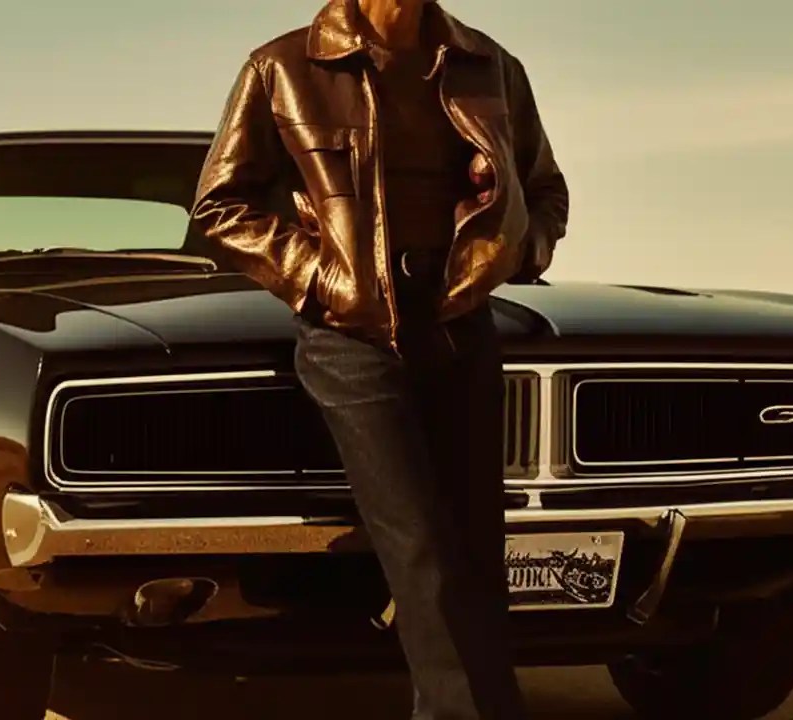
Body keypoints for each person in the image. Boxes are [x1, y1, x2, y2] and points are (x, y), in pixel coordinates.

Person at [192, 0, 568, 717]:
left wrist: (511, 252)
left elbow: (546, 194)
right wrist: (322, 281)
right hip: (353, 334)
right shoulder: (283, 67)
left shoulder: (489, 65)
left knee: (474, 551)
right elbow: (221, 205)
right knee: (420, 546)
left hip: (462, 320)